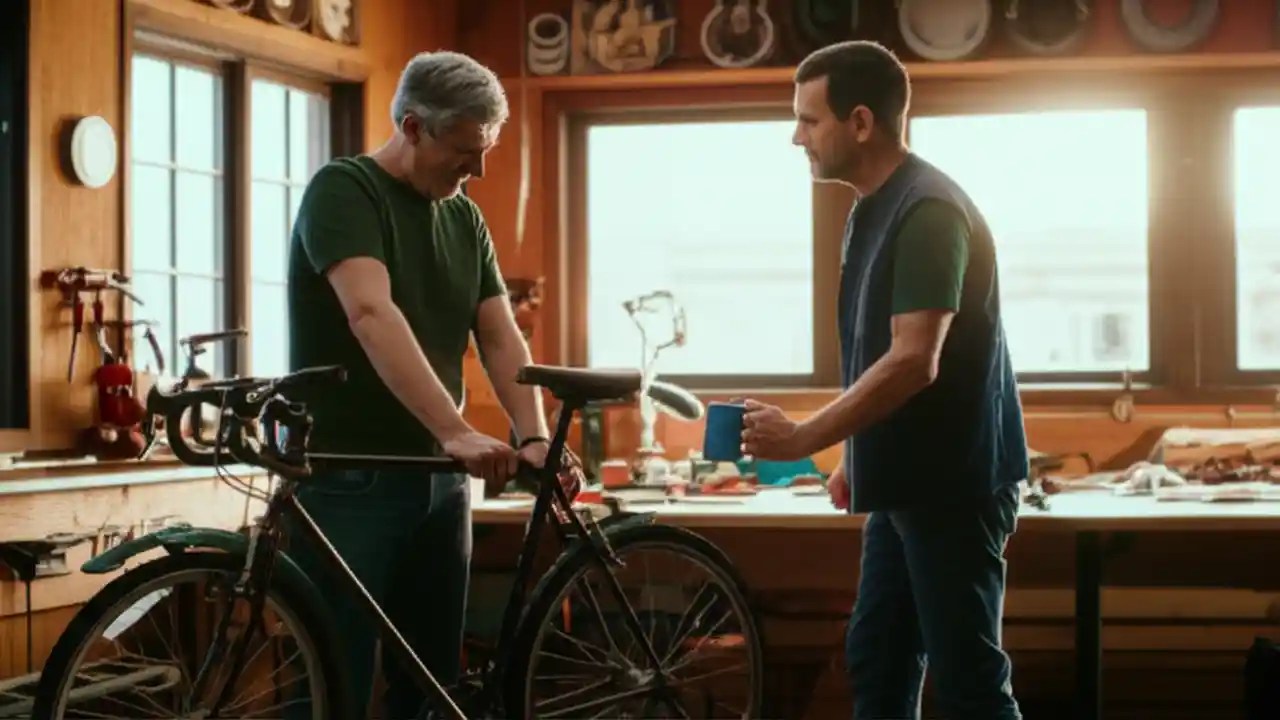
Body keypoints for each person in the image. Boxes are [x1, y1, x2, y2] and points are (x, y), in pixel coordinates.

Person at [739, 40, 1028, 720]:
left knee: (968, 684)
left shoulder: (929, 211)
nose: (796, 137)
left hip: (952, 488)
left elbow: (912, 359)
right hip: (904, 483)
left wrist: (805, 435)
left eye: (809, 121)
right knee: (879, 660)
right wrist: (856, 456)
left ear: (860, 122)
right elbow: (881, 354)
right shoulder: (872, 207)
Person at [283, 50, 573, 719]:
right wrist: (455, 429)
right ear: (413, 127)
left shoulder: (464, 217)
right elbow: (370, 312)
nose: (477, 169)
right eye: (466, 151)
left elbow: (500, 335)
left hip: (440, 479)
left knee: (433, 687)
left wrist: (529, 434)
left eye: (488, 150)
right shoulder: (344, 191)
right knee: (336, 683)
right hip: (350, 475)